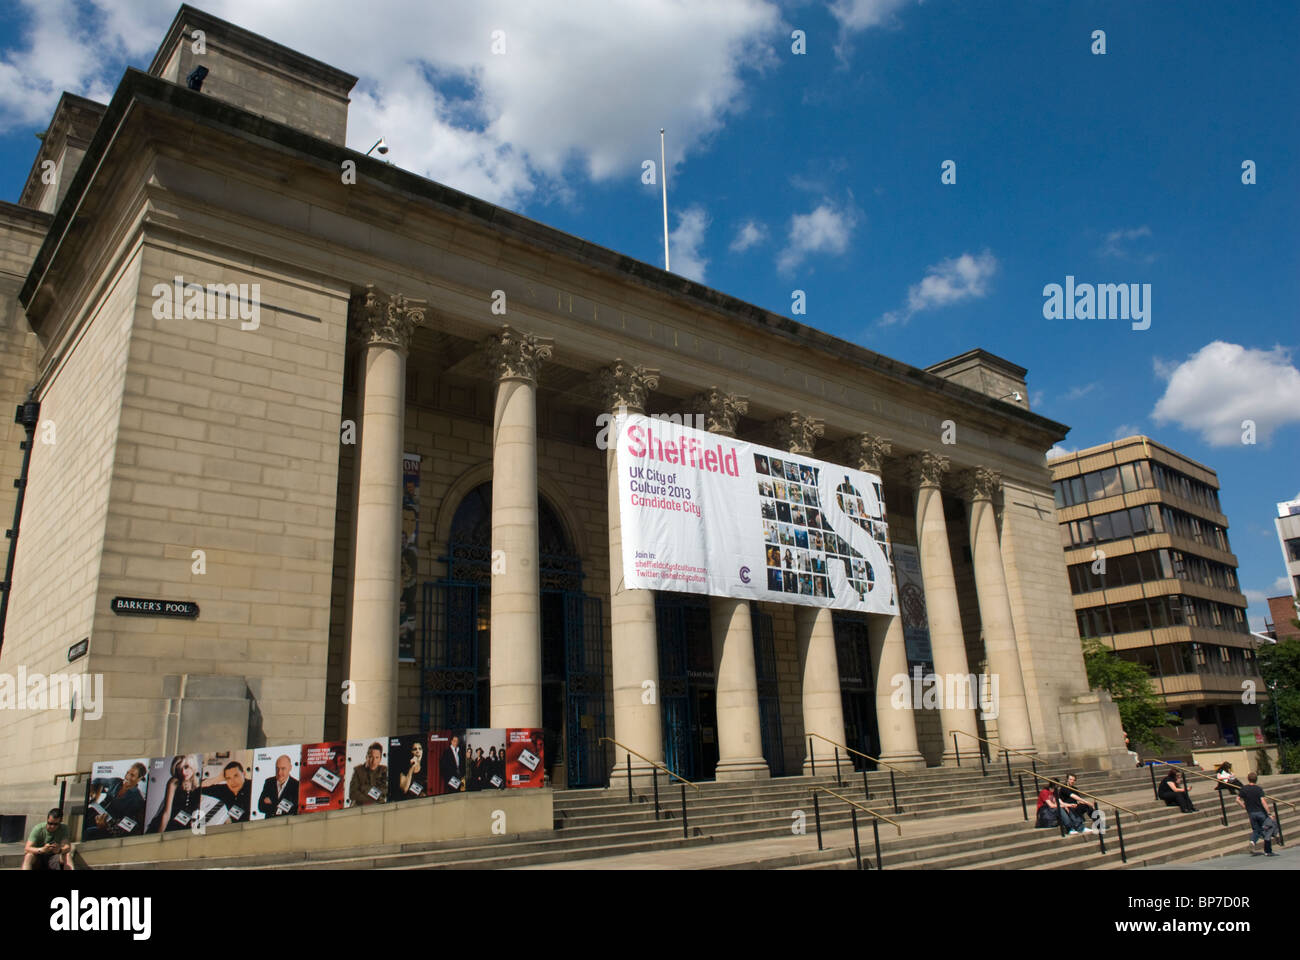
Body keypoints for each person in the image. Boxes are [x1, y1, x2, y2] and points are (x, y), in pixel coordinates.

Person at [84, 762, 148, 840]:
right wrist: (95, 794)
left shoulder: (137, 799)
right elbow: (97, 780)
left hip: (107, 828)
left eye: (132, 775)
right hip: (94, 813)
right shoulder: (116, 782)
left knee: (87, 833)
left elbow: (125, 829)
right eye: (128, 773)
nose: (127, 776)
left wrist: (104, 827)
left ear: (139, 778)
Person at [153, 754, 201, 832]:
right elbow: (166, 813)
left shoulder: (198, 784)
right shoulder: (173, 782)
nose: (183, 772)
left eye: (186, 767)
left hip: (190, 824)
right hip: (172, 823)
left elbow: (199, 811)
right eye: (179, 768)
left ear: (193, 765)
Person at [1236, 771, 1278, 857]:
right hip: (1261, 812)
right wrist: (1269, 813)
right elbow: (1263, 801)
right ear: (1256, 779)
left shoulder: (1244, 789)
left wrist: (1244, 807)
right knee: (1267, 830)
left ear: (1248, 779)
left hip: (1251, 813)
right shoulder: (1258, 789)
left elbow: (1237, 799)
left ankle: (1252, 841)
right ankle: (1268, 851)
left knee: (1256, 830)